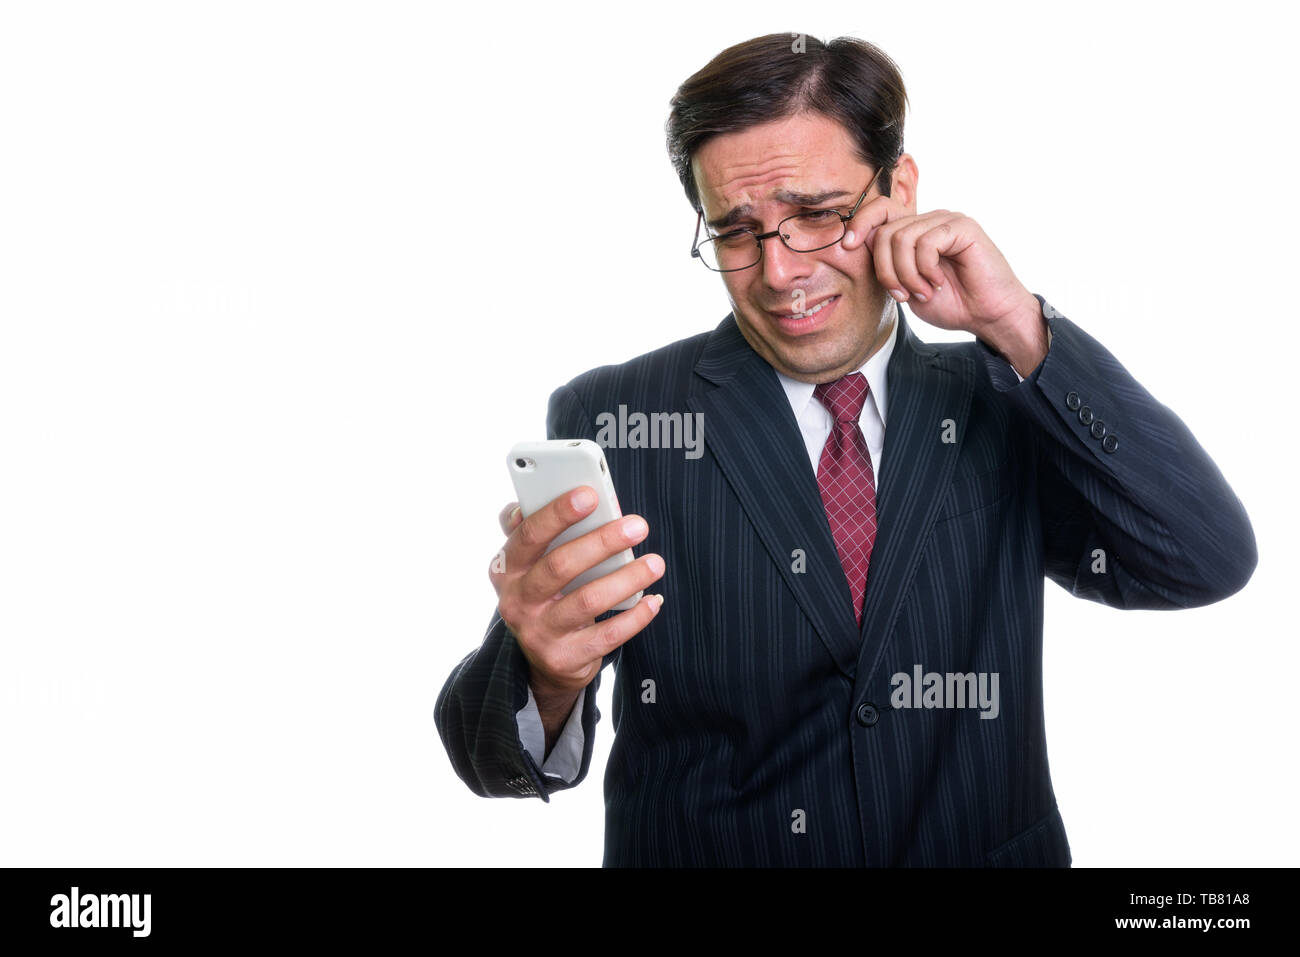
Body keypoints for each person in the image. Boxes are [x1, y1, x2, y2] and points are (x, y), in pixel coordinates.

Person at [434, 33, 1257, 866]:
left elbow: (1203, 557)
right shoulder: (618, 415)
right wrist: (546, 672)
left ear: (898, 190)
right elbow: (487, 755)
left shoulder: (999, 395)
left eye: (819, 216)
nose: (780, 271)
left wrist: (1022, 329)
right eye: (737, 232)